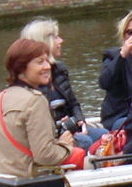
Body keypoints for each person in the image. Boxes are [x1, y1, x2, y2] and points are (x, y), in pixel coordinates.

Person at [0, 38, 87, 178]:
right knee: (82, 153)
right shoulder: (35, 100)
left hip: (2, 176)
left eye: (47, 60)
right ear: (21, 67)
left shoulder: (1, 97)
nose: (48, 66)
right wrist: (66, 146)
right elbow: (45, 155)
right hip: (30, 179)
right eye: (40, 62)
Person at [20, 17, 105, 149]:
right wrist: (58, 124)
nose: (61, 41)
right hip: (52, 135)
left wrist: (80, 120)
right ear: (45, 42)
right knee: (85, 141)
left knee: (103, 135)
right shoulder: (32, 80)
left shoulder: (60, 70)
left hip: (70, 127)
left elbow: (73, 103)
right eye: (56, 37)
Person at [98, 9, 132, 130]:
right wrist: (123, 54)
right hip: (120, 117)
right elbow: (104, 82)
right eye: (130, 32)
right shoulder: (113, 56)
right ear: (123, 36)